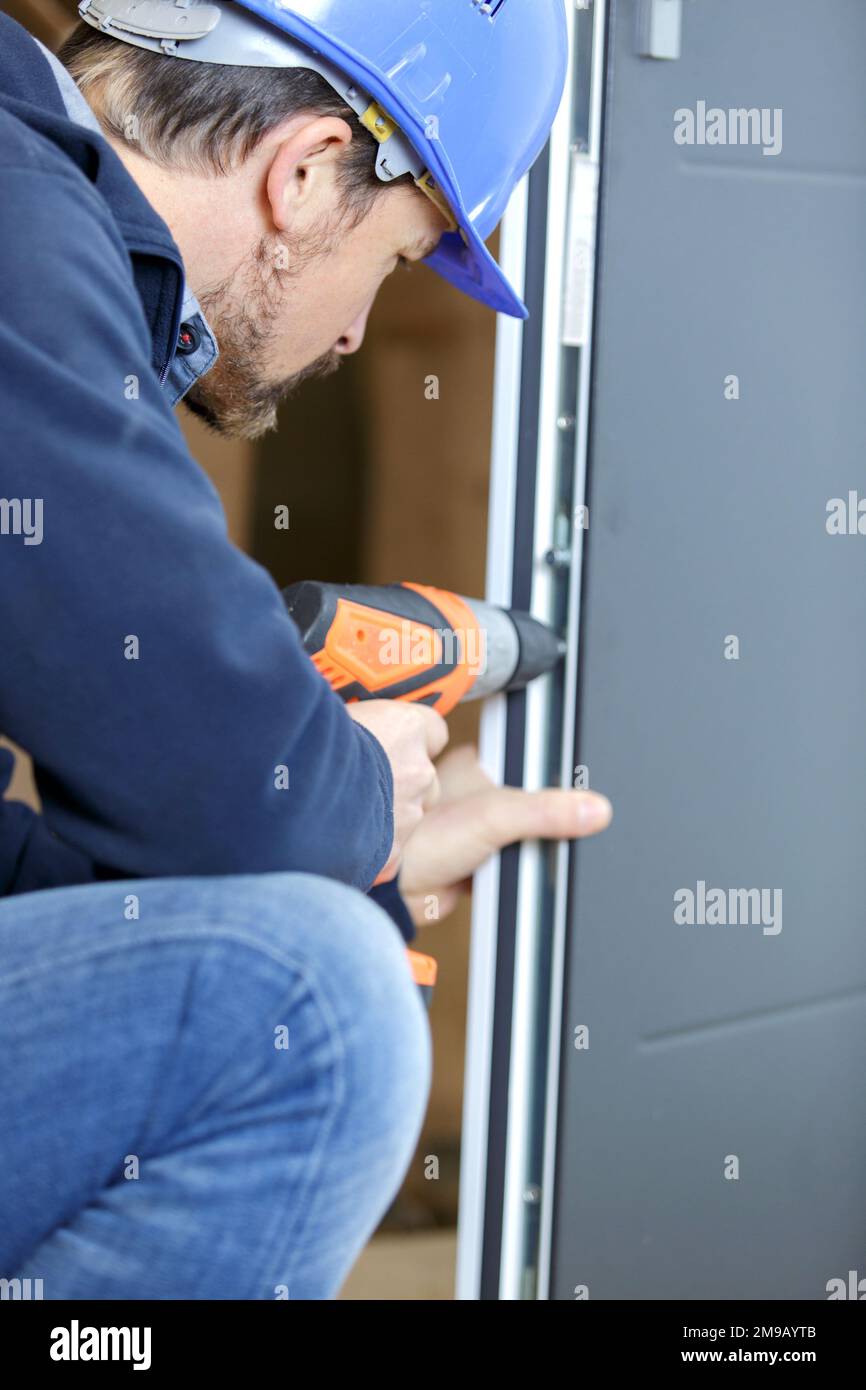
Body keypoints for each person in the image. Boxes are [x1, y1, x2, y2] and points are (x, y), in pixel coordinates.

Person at [0, 0, 611, 1299]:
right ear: (303, 171)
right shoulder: (15, 220)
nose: (350, 334)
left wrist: (351, 850)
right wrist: (346, 796)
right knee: (316, 1012)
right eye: (394, 263)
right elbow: (223, 772)